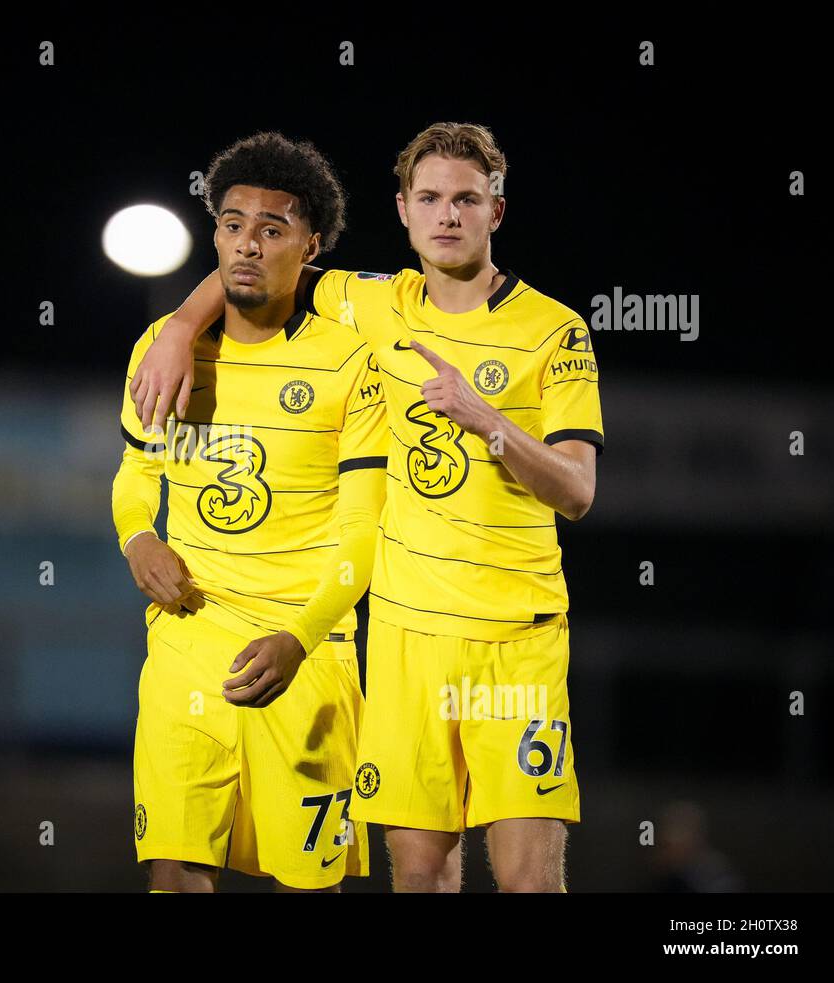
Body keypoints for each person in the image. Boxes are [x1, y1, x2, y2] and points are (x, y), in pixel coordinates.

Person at [130, 123, 603, 892]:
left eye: (466, 199)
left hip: (516, 640)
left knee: (526, 880)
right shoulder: (372, 303)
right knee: (419, 876)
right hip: (405, 638)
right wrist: (182, 325)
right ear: (404, 211)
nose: (447, 214)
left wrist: (487, 419)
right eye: (430, 199)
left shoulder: (556, 331)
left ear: (497, 213)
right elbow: (258, 268)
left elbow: (577, 491)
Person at [112, 133, 388, 892]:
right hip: (184, 645)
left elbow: (364, 529)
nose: (247, 245)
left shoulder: (350, 360)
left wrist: (301, 637)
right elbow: (136, 472)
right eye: (232, 225)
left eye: (272, 229)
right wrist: (138, 536)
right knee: (173, 870)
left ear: (313, 246)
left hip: (305, 651)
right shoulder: (167, 349)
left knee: (308, 882)